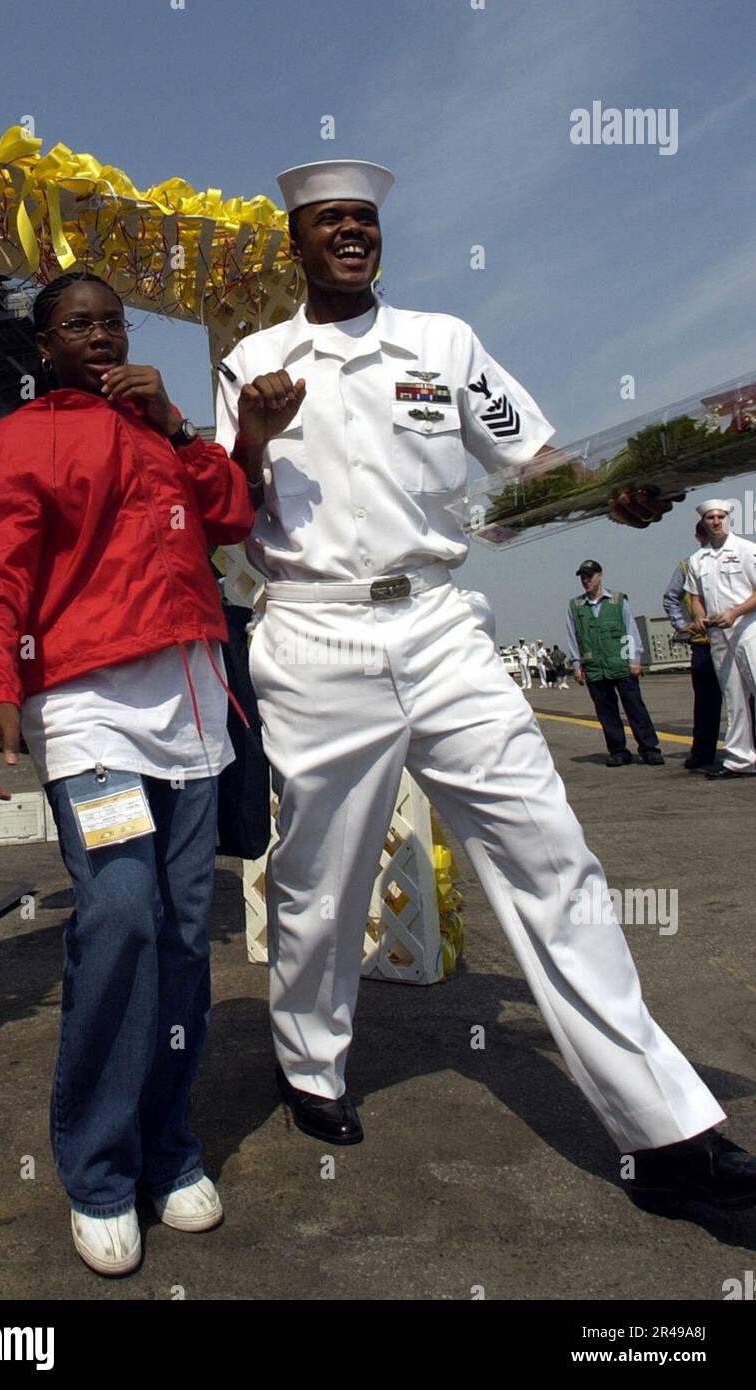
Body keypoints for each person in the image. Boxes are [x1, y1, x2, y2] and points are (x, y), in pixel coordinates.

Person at [215, 158, 756, 1208]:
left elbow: (534, 464)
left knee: (550, 855)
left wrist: (617, 490)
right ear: (295, 246)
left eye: (364, 220)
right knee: (318, 878)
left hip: (440, 628)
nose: (351, 235)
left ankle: (665, 1133)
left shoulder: (444, 344)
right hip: (317, 632)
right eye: (329, 222)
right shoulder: (255, 360)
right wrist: (251, 437)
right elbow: (229, 513)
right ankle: (309, 1062)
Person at [0, 271, 254, 1276]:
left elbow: (233, 515)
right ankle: (99, 1164)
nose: (102, 334)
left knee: (180, 929)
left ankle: (168, 1145)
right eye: (79, 323)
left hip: (194, 705)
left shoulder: (164, 433)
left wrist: (177, 425)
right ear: (44, 346)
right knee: (118, 915)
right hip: (90, 714)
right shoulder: (12, 447)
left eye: (113, 320)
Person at [566, 560, 664, 768]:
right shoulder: (575, 606)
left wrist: (634, 660)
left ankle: (650, 749)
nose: (586, 581)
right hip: (595, 668)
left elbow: (630, 631)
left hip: (621, 665)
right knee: (606, 712)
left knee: (635, 708)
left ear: (600, 576)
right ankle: (618, 751)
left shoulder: (618, 601)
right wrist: (576, 665)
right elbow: (573, 637)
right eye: (583, 577)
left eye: (589, 576)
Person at [685, 498, 756, 779]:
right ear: (704, 523)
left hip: (747, 628)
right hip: (717, 633)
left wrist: (735, 612)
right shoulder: (697, 560)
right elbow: (694, 597)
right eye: (711, 518)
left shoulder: (746, 550)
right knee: (733, 696)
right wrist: (699, 616)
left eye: (721, 516)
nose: (716, 521)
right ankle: (741, 759)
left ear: (728, 519)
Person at [662, 520, 723, 773]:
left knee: (747, 699)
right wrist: (683, 624)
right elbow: (670, 597)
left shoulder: (734, 559)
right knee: (707, 703)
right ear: (698, 537)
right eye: (705, 534)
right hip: (704, 644)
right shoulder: (688, 566)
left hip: (733, 640)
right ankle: (702, 753)